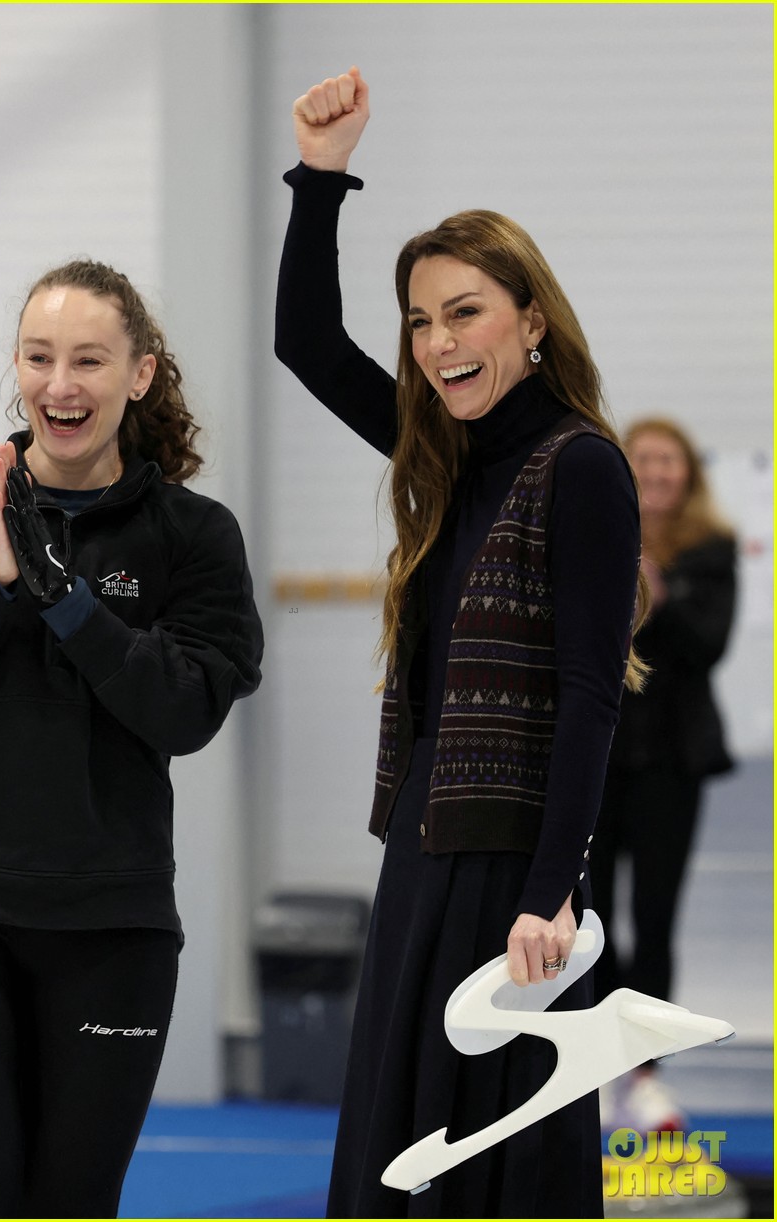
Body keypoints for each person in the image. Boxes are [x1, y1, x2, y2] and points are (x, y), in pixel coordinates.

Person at [275, 68, 645, 1218]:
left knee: (496, 1158)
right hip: (425, 843)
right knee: (401, 1148)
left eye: (465, 311)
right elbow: (303, 342)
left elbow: (589, 693)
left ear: (530, 321)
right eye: (421, 321)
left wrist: (555, 893)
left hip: (509, 873)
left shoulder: (578, 464)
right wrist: (319, 174)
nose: (437, 343)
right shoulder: (446, 456)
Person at [0, 259, 264, 1219]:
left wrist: (68, 603)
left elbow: (186, 711)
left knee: (72, 1206)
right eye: (39, 358)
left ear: (139, 374)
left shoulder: (194, 536)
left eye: (88, 360)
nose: (60, 385)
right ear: (18, 369)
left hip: (110, 928)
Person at [591, 417, 736, 1131]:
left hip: (671, 761)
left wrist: (662, 590)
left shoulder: (710, 550)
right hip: (599, 755)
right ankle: (603, 1059)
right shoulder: (595, 537)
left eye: (668, 461)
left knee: (655, 918)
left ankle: (644, 1073)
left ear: (688, 473)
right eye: (642, 459)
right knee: (592, 919)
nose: (654, 472)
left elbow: (709, 646)